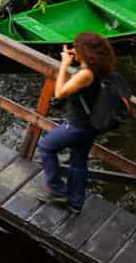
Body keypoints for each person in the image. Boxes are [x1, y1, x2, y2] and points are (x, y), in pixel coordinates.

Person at [38, 32, 118, 215]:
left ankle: (58, 191)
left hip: (78, 126)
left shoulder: (86, 74)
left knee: (45, 146)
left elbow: (59, 93)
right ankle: (75, 202)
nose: (73, 50)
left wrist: (64, 64)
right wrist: (74, 61)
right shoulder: (98, 69)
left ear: (85, 52)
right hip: (90, 126)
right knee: (78, 162)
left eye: (76, 47)